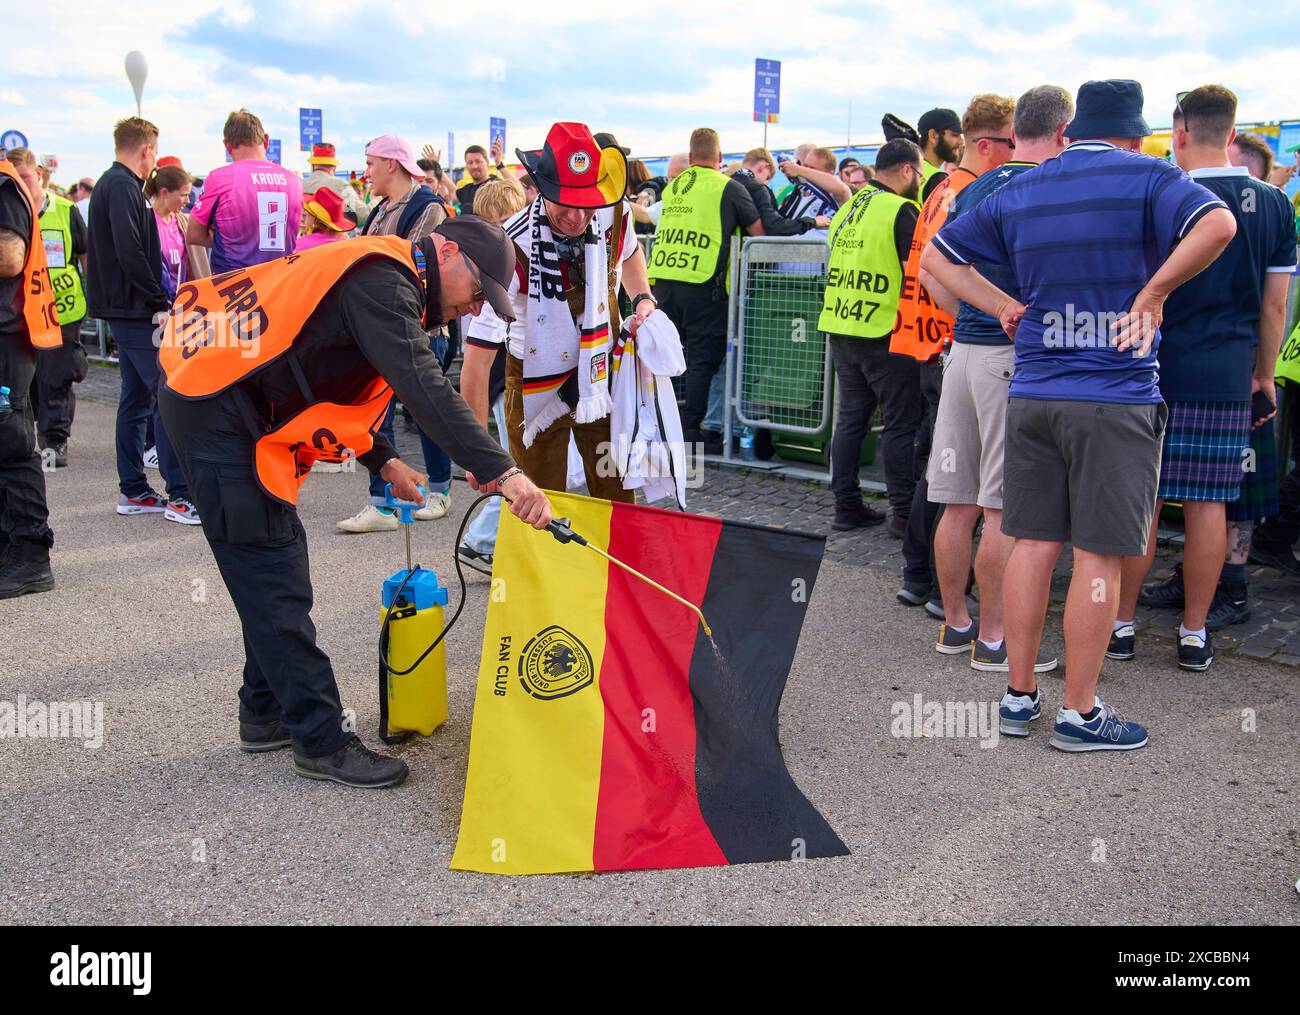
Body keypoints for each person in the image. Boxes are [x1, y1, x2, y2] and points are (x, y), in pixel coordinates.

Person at [157, 216, 552, 789]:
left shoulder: (386, 278)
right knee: (271, 566)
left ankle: (263, 709)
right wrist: (505, 472)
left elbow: (331, 381)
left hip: (227, 401)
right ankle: (320, 738)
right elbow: (421, 385)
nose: (474, 309)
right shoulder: (383, 281)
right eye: (477, 291)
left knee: (270, 561)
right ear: (446, 253)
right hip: (212, 404)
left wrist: (382, 460)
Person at [922, 78, 1237, 752]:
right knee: (1099, 554)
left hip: (1033, 389)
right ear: (1134, 132)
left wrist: (1001, 303)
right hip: (1115, 396)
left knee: (1032, 543)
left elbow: (937, 257)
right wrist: (1153, 292)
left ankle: (1016, 696)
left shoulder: (1025, 184)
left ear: (1071, 129)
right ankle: (1079, 712)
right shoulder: (1149, 177)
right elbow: (1219, 223)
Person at [1114, 85, 1296, 671]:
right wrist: (1263, 376)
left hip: (1154, 369)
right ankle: (1194, 634)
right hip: (1227, 373)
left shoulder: (1162, 194)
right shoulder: (1274, 203)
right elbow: (1275, 308)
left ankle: (1120, 626)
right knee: (1209, 505)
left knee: (1143, 504)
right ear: (1233, 129)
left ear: (1182, 134)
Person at [920, 88, 1068, 672]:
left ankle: (958, 626)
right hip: (1010, 358)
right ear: (1060, 134)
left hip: (963, 353)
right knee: (1004, 509)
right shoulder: (1049, 189)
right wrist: (1007, 310)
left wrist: (977, 316)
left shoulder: (971, 188)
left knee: (957, 503)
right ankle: (995, 640)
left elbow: (936, 277)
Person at [470, 122, 657, 501]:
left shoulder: (612, 213)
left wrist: (642, 300)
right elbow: (477, 357)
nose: (576, 218)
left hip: (602, 376)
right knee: (538, 503)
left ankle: (614, 561)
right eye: (565, 205)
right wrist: (478, 453)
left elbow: (631, 254)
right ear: (541, 189)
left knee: (617, 492)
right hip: (534, 389)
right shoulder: (509, 243)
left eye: (586, 206)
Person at [889, 93, 1017, 617]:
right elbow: (938, 271)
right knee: (956, 484)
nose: (1018, 153)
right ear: (987, 144)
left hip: (933, 340)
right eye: (1012, 142)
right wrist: (973, 315)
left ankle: (920, 577)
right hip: (955, 341)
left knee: (944, 473)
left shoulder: (943, 187)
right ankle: (929, 580)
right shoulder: (970, 190)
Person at [337, 134, 454, 533]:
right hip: (382, 328)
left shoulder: (429, 207)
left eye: (370, 163)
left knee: (427, 411)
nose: (366, 172)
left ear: (391, 164)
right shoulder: (382, 208)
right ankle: (381, 502)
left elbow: (414, 266)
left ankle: (439, 490)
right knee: (376, 413)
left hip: (420, 327)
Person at [86, 117, 199, 525]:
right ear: (148, 149)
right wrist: (158, 300)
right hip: (134, 309)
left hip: (125, 308)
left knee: (136, 399)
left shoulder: (114, 185)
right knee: (166, 395)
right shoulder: (121, 187)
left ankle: (134, 489)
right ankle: (180, 495)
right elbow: (130, 249)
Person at [818, 138, 924, 534]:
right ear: (907, 170)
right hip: (885, 332)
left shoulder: (849, 208)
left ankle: (845, 506)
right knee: (900, 424)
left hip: (843, 326)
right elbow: (915, 273)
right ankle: (903, 514)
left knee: (850, 422)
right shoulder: (901, 209)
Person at [647, 128, 765, 453]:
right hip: (704, 285)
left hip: (663, 282)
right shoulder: (729, 186)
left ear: (690, 154)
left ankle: (659, 424)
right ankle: (687, 432)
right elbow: (760, 231)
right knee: (701, 361)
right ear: (720, 156)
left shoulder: (674, 188)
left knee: (666, 357)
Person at [457, 178, 532, 573]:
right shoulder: (492, 273)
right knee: (516, 466)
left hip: (521, 382)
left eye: (511, 221)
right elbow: (476, 357)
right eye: (497, 225)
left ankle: (490, 541)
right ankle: (483, 541)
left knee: (526, 465)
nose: (506, 232)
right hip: (505, 384)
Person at [0, 151, 62, 598]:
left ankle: (29, 557)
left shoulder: (3, 185)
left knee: (14, 447)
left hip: (6, 336)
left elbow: (9, 256)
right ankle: (11, 549)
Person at [8, 148, 89, 469]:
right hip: (23, 313)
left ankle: (54, 442)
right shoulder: (10, 211)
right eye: (15, 181)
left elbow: (85, 254)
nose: (22, 186)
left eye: (26, 178)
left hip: (62, 311)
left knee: (57, 378)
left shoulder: (66, 210)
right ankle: (27, 438)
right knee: (28, 381)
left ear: (39, 173)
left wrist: (93, 292)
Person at [185, 109, 303, 274]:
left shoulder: (219, 178)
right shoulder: (294, 181)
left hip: (234, 286)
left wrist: (225, 240)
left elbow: (193, 235)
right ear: (266, 140)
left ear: (227, 145)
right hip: (280, 283)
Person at [731, 147, 831, 236]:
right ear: (763, 167)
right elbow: (775, 227)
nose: (766, 184)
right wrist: (812, 222)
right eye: (767, 178)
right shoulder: (758, 189)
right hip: (744, 253)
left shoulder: (725, 184)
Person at [776, 146, 849, 242]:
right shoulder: (793, 194)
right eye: (805, 166)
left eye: (812, 168)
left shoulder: (834, 196)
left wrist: (799, 170)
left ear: (829, 173)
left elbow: (843, 190)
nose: (806, 171)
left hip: (820, 255)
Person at [145, 163, 193, 302]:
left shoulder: (181, 222)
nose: (188, 201)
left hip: (181, 304)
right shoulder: (147, 222)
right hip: (155, 307)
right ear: (164, 192)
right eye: (183, 195)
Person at [302, 142, 366, 221]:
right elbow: (361, 214)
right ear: (334, 167)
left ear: (312, 166)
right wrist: (375, 200)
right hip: (331, 232)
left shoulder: (299, 185)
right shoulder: (340, 185)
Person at [917, 108, 965, 203]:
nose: (961, 141)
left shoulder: (906, 171)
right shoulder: (939, 179)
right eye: (955, 135)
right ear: (933, 136)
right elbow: (951, 217)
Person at [455, 143, 498, 214]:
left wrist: (499, 164)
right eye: (470, 162)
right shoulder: (465, 191)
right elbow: (450, 192)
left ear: (487, 162)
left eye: (478, 161)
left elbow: (518, 190)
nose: (474, 166)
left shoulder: (497, 185)